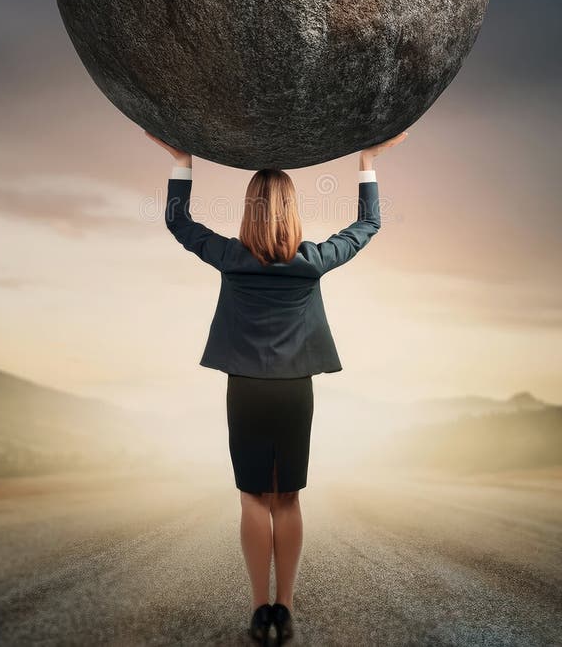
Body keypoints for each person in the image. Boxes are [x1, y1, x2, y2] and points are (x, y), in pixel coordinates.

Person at [145, 129, 408, 645]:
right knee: (285, 498)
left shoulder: (231, 258)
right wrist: (367, 160)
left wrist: (183, 159)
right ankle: (283, 610)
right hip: (294, 391)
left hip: (245, 389)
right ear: (291, 209)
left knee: (252, 497)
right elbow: (369, 223)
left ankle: (257, 609)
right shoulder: (312, 262)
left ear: (249, 210)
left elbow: (178, 221)